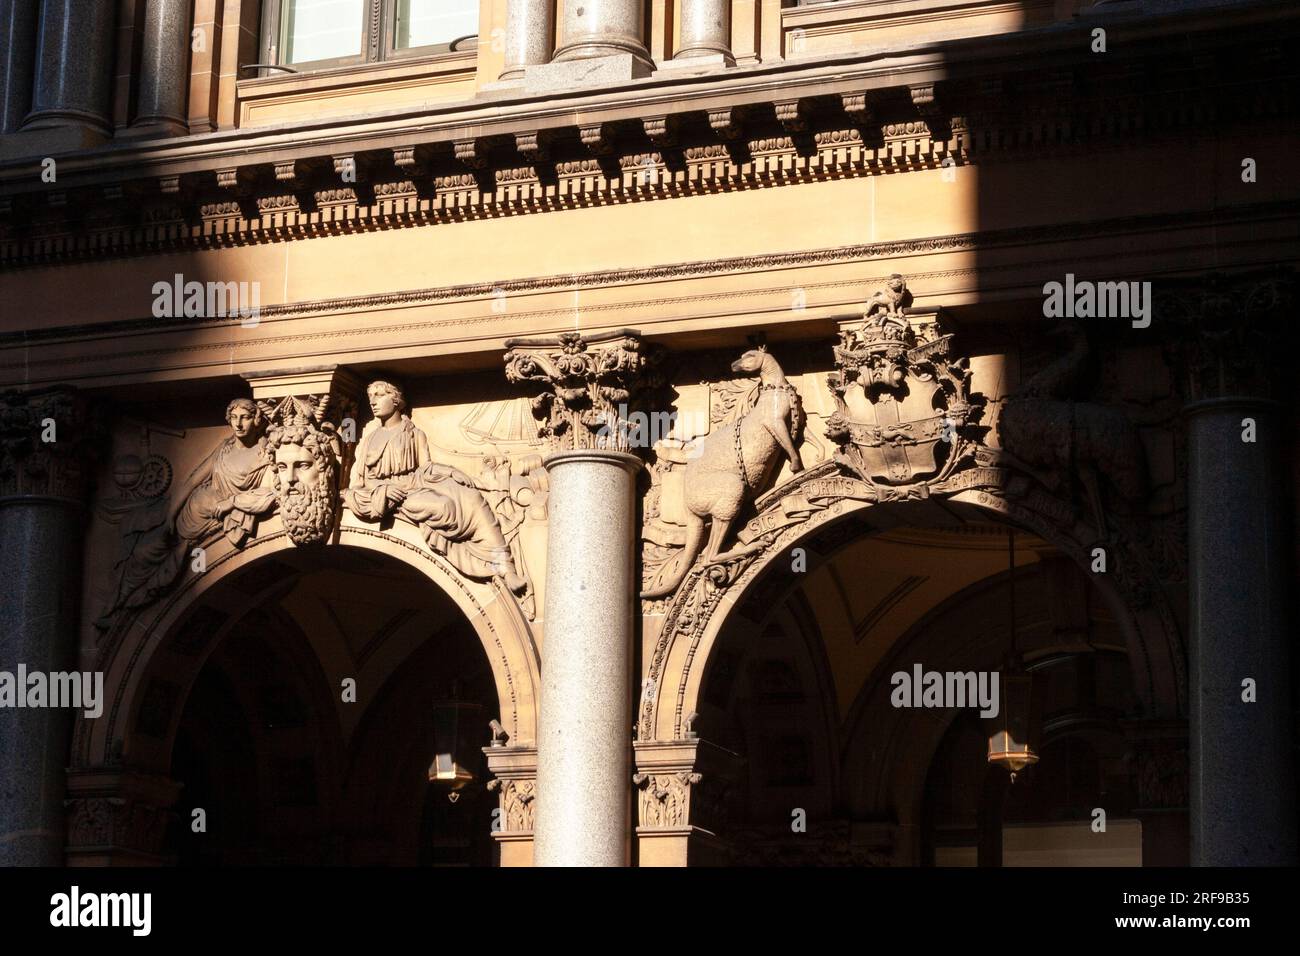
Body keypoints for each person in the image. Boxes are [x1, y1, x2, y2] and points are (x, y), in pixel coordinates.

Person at [344, 381, 527, 594]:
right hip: (392, 495)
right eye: (370, 397)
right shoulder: (369, 438)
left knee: (472, 500)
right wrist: (383, 489)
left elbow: (426, 467)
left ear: (396, 399)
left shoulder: (414, 433)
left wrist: (451, 471)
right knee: (444, 508)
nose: (373, 402)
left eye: (379, 395)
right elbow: (360, 481)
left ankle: (503, 567)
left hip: (414, 486)